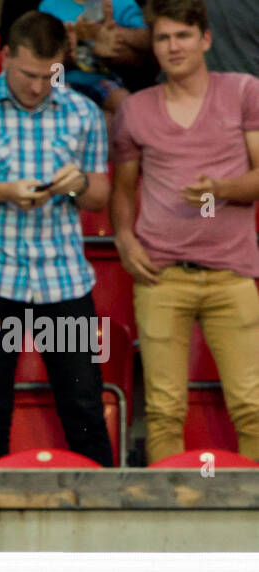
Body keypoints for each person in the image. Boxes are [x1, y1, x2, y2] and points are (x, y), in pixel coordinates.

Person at [0, 11, 114, 467]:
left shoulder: (82, 111)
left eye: (48, 75)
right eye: (28, 74)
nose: (37, 86)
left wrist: (77, 185)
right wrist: (2, 192)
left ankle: (103, 518)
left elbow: (100, 194)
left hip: (63, 279)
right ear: (6, 55)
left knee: (85, 408)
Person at [111, 0, 259, 464]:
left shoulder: (243, 91)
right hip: (162, 276)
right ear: (152, 46)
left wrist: (223, 187)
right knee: (163, 410)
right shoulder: (135, 110)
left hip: (232, 274)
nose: (173, 46)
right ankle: (164, 526)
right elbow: (122, 191)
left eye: (183, 36)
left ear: (206, 39)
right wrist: (123, 238)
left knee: (252, 407)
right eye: (162, 38)